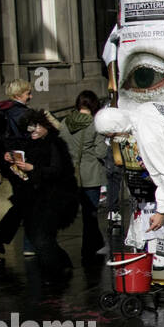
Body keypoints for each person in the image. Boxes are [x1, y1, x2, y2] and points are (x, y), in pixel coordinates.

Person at [94, 103, 164, 291]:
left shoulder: (147, 137)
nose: (112, 140)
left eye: (111, 135)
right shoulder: (144, 110)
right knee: (162, 238)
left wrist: (163, 211)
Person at [7, 110, 79, 278]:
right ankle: (62, 263)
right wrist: (15, 164)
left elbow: (57, 170)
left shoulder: (55, 144)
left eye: (36, 127)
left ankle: (54, 273)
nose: (32, 131)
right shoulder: (31, 145)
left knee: (42, 236)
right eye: (30, 128)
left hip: (55, 199)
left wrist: (32, 169)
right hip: (35, 198)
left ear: (45, 126)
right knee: (37, 235)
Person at [60, 91, 108, 266]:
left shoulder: (65, 122)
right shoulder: (95, 125)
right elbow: (100, 151)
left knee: (78, 213)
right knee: (90, 214)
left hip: (70, 175)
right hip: (90, 175)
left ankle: (97, 244)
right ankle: (89, 249)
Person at [0, 79, 36, 260]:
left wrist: (4, 154)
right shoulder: (25, 114)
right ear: (19, 95)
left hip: (9, 163)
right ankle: (5, 238)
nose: (30, 96)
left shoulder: (0, 112)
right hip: (24, 162)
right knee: (28, 203)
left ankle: (2, 238)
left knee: (23, 201)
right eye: (28, 93)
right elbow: (32, 138)